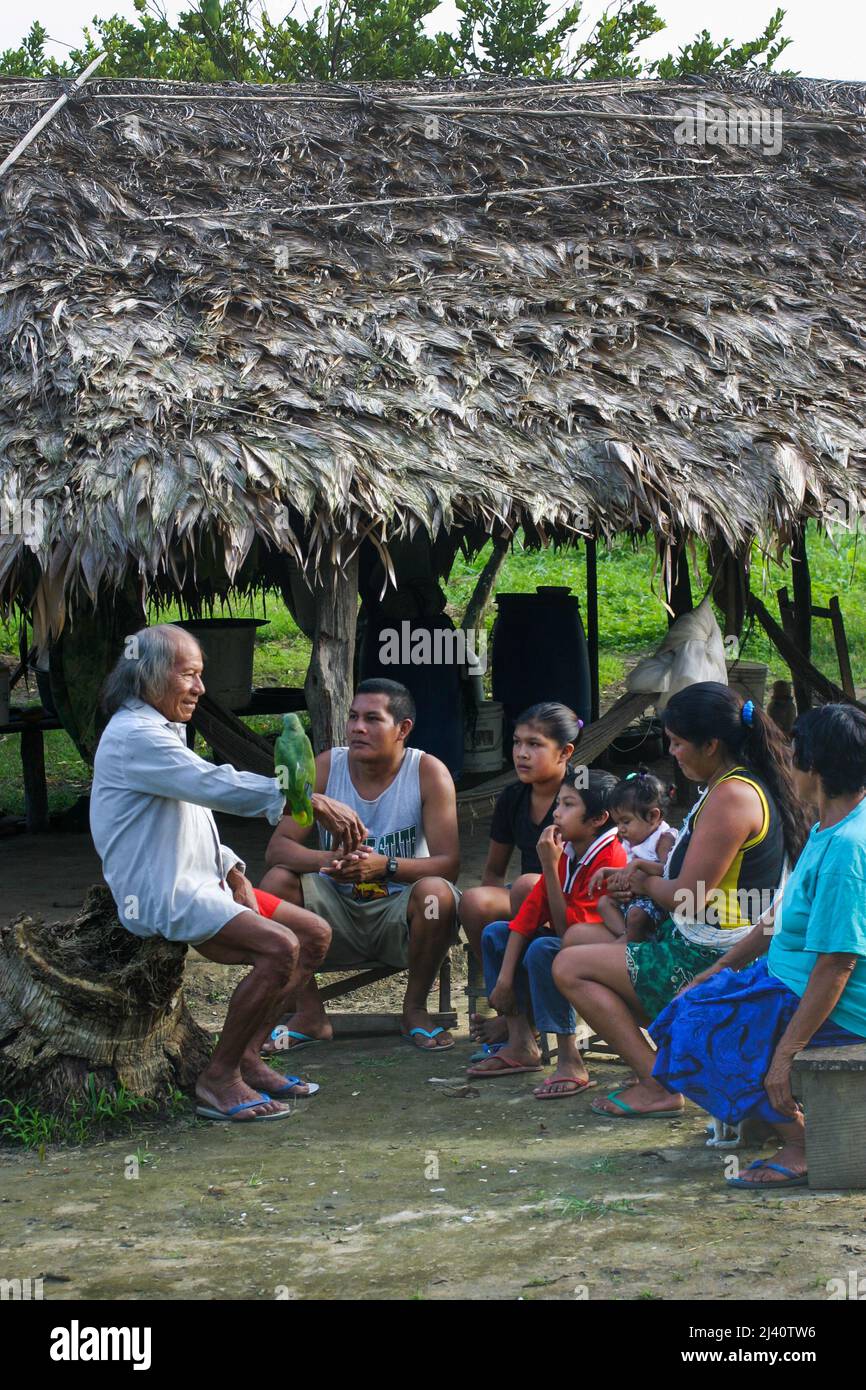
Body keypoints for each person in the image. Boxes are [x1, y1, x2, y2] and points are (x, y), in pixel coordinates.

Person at [89, 624, 360, 1122]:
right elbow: (211, 783)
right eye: (189, 675)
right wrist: (302, 799)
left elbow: (193, 811)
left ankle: (248, 1056)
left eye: (201, 675)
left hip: (204, 880)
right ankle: (218, 1078)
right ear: (148, 675)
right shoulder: (135, 736)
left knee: (314, 934)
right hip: (166, 892)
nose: (200, 688)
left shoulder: (161, 727)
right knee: (280, 948)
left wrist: (232, 867)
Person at [551, 681, 810, 1117]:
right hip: (710, 933)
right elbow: (711, 877)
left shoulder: (732, 796)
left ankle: (658, 1084)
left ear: (711, 744)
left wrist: (643, 884)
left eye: (676, 743)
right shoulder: (734, 783)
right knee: (577, 941)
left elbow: (689, 897)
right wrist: (643, 871)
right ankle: (670, 1062)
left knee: (568, 966)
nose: (670, 752)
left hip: (713, 952)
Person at [650, 704, 866, 1188]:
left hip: (837, 1003)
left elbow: (837, 964)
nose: (788, 762)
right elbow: (781, 918)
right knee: (684, 1010)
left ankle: (802, 1143)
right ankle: (770, 1117)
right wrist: (720, 968)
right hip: (786, 977)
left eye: (795, 754)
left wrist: (787, 1055)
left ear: (814, 768)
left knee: (697, 1033)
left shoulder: (849, 846)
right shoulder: (826, 826)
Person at [259, 678, 461, 1051]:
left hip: (398, 915)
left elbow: (449, 864)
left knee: (437, 896)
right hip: (333, 915)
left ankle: (415, 1009)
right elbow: (278, 849)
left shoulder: (428, 772)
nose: (357, 728)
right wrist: (330, 860)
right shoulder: (325, 768)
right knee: (274, 884)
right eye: (353, 717)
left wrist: (386, 867)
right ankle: (309, 1014)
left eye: (372, 718)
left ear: (403, 729)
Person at [466, 769, 626, 1097]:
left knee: (545, 948)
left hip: (608, 952)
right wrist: (504, 980)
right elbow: (525, 918)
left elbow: (569, 933)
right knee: (497, 933)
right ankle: (520, 1042)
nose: (556, 813)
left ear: (598, 818)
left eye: (568, 805)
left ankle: (571, 1059)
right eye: (558, 804)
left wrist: (549, 868)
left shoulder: (609, 857)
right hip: (573, 940)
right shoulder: (569, 849)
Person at [459, 702, 582, 1051]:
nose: (521, 754)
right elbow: (494, 872)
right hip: (528, 898)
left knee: (529, 885)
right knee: (474, 901)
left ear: (565, 752)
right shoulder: (513, 796)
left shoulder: (583, 791)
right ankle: (508, 999)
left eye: (535, 744)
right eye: (516, 743)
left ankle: (527, 1013)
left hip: (573, 899)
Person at [591, 768, 676, 939]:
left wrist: (638, 864)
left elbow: (668, 870)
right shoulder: (631, 841)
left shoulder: (663, 838)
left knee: (636, 915)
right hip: (634, 898)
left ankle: (629, 941)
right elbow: (629, 873)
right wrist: (606, 871)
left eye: (626, 821)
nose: (620, 829)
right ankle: (627, 936)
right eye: (617, 822)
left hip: (654, 902)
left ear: (653, 816)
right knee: (603, 903)